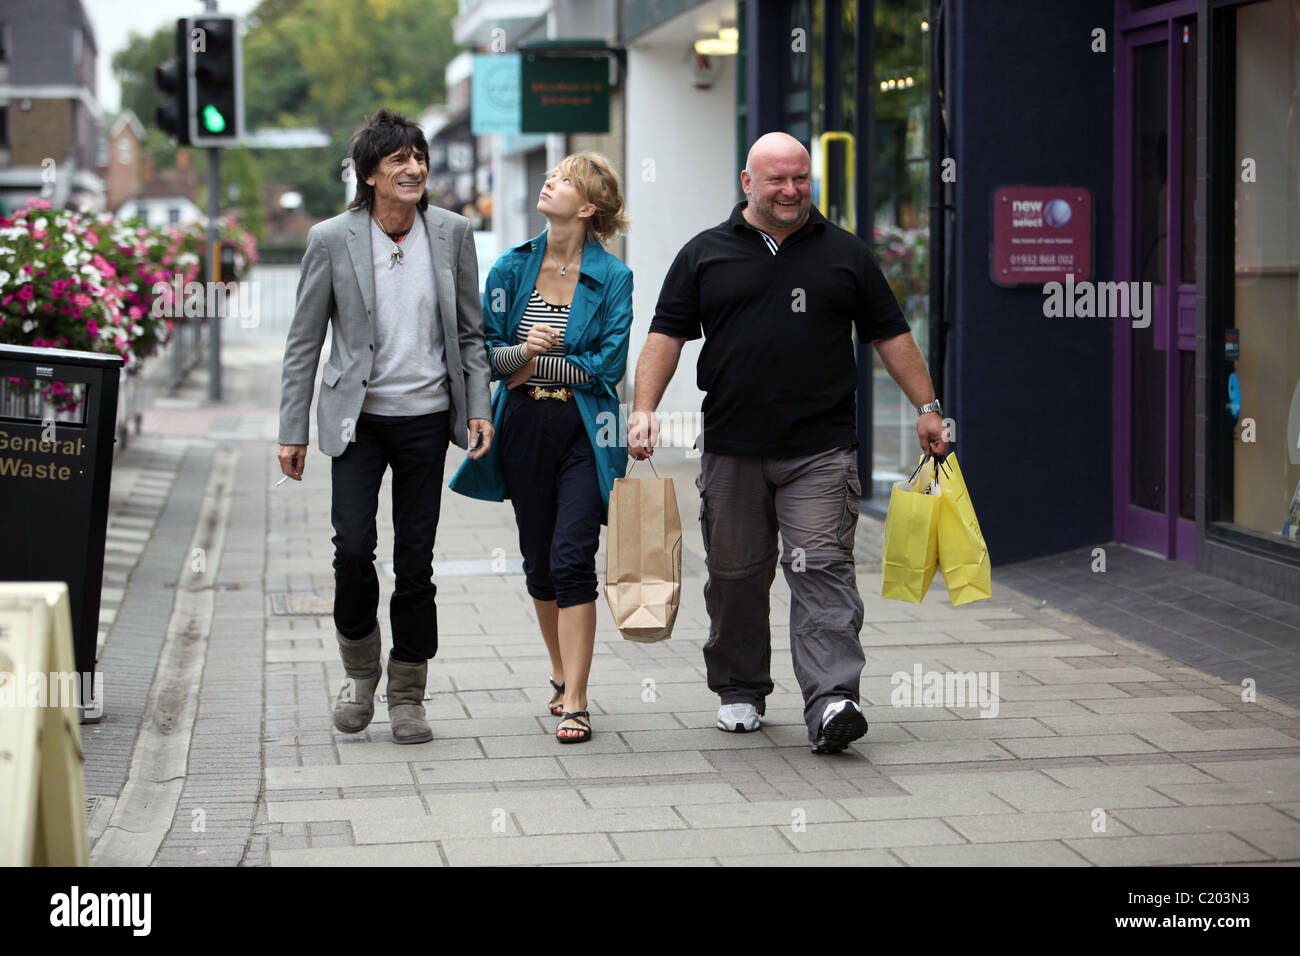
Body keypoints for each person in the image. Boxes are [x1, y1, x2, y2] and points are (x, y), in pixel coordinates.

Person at [628, 131, 948, 754]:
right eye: (776, 179)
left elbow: (891, 335)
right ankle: (741, 688)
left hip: (821, 449)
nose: (790, 190)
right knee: (736, 576)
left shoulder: (845, 254)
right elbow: (666, 336)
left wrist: (928, 407)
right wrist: (644, 410)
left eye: (800, 178)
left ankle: (832, 700)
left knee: (822, 569)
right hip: (731, 447)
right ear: (747, 183)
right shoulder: (705, 254)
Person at [277, 109, 493, 745]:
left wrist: (476, 406)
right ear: (369, 173)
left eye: (419, 158)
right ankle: (360, 675)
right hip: (359, 424)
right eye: (399, 159)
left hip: (427, 419)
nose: (414, 169)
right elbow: (303, 342)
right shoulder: (330, 239)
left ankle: (407, 691)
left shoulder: (452, 234)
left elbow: (471, 334)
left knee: (416, 562)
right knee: (351, 553)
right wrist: (292, 428)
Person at [450, 153, 632, 744]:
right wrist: (525, 353)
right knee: (538, 561)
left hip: (584, 432)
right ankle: (559, 672)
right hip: (523, 427)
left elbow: (608, 367)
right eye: (550, 174)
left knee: (573, 556)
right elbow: (484, 356)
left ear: (587, 207)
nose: (549, 181)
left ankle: (577, 699)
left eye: (564, 179)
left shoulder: (613, 278)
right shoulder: (510, 268)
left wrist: (531, 361)